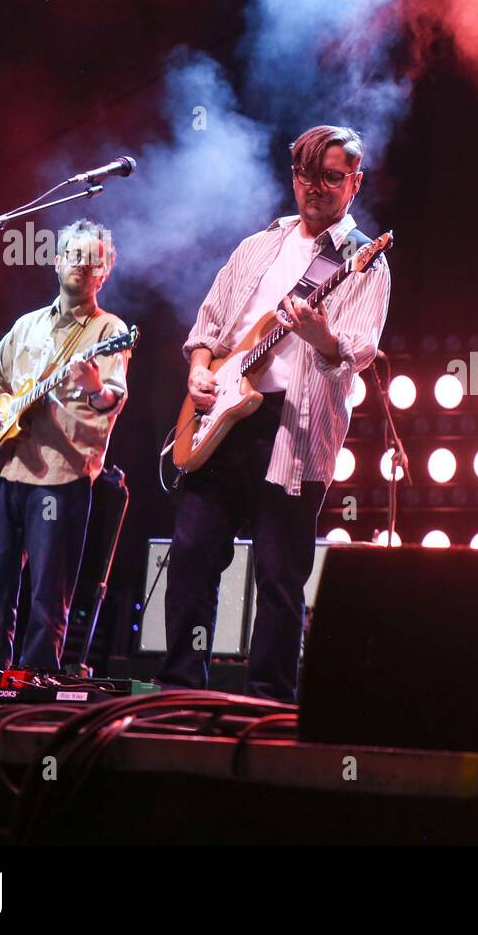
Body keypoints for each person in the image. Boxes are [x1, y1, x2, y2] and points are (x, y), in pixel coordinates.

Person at [157, 125, 391, 702]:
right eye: (307, 175)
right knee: (190, 558)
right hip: (221, 419)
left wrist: (322, 337)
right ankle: (182, 690)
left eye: (332, 177)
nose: (316, 188)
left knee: (279, 578)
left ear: (354, 183)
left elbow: (355, 353)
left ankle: (268, 701)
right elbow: (208, 327)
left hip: (295, 429)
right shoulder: (258, 245)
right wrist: (199, 372)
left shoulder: (363, 262)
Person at [0, 220, 129, 671]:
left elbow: (112, 397)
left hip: (61, 475)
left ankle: (32, 693)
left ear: (105, 270)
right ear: (56, 261)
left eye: (92, 259)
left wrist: (95, 387)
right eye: (73, 254)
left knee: (47, 598)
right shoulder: (27, 325)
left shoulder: (110, 329)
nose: (81, 264)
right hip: (7, 467)